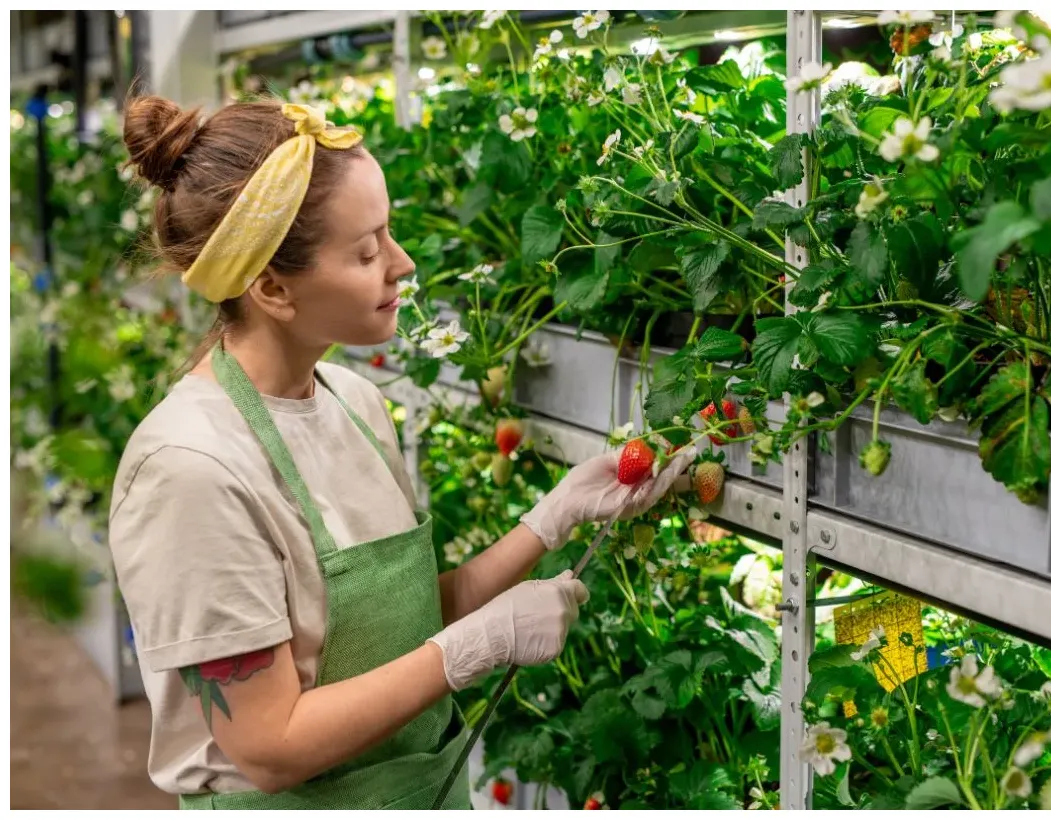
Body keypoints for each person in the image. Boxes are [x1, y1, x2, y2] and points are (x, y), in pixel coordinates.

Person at [108, 95, 695, 810]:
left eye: (389, 235)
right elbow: (269, 746)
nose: (402, 264)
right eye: (366, 251)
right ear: (272, 287)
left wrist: (554, 518)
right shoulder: (193, 469)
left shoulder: (353, 404)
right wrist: (473, 650)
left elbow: (400, 628)